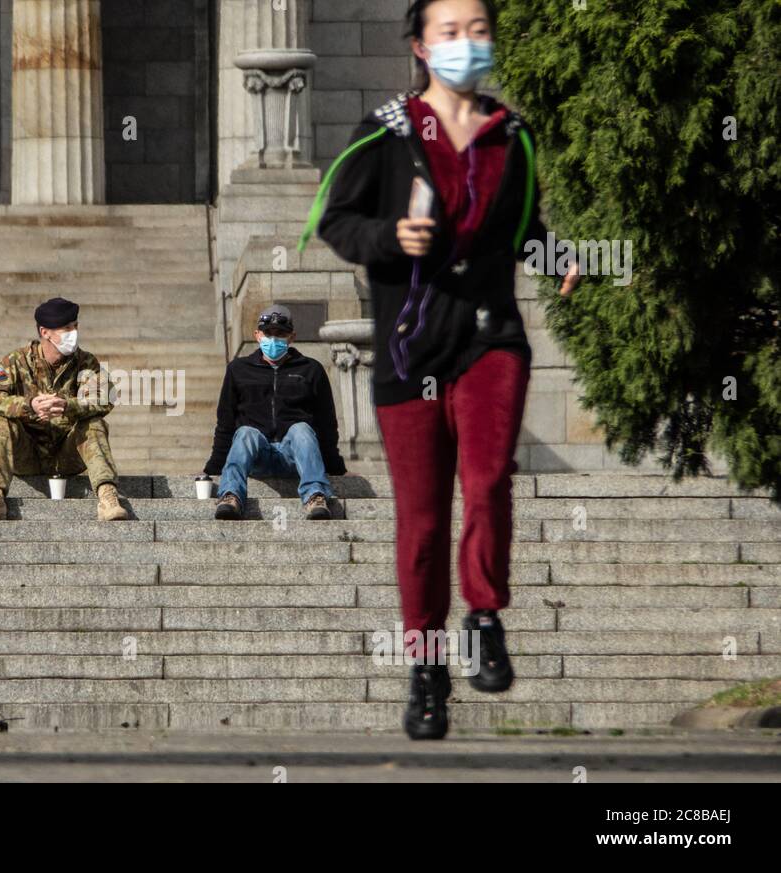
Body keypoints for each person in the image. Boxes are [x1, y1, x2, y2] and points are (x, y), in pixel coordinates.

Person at [306, 0, 579, 740]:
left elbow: (524, 230)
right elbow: (334, 221)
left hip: (491, 338)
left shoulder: (509, 134)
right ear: (422, 46)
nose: (467, 43)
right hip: (409, 346)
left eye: (479, 30)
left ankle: (485, 616)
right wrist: (391, 235)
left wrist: (559, 259)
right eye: (450, 31)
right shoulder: (388, 131)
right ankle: (427, 670)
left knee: (488, 478)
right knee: (422, 522)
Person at [0, 297, 127, 522]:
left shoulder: (85, 363)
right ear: (45, 332)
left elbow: (106, 396)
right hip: (27, 454)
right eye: (66, 328)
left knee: (94, 424)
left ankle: (107, 498)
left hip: (68, 453)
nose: (73, 332)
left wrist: (69, 405)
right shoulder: (15, 362)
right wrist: (28, 406)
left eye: (75, 326)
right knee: (1, 423)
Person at [203, 305, 346, 520]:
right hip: (257, 456)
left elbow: (326, 424)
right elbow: (225, 423)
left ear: (292, 337)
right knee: (245, 433)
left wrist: (336, 468)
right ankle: (231, 496)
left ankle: (315, 496)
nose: (274, 339)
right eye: (268, 333)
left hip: (294, 454)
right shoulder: (238, 369)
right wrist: (213, 467)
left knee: (301, 429)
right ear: (258, 335)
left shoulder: (311, 369)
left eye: (280, 334)